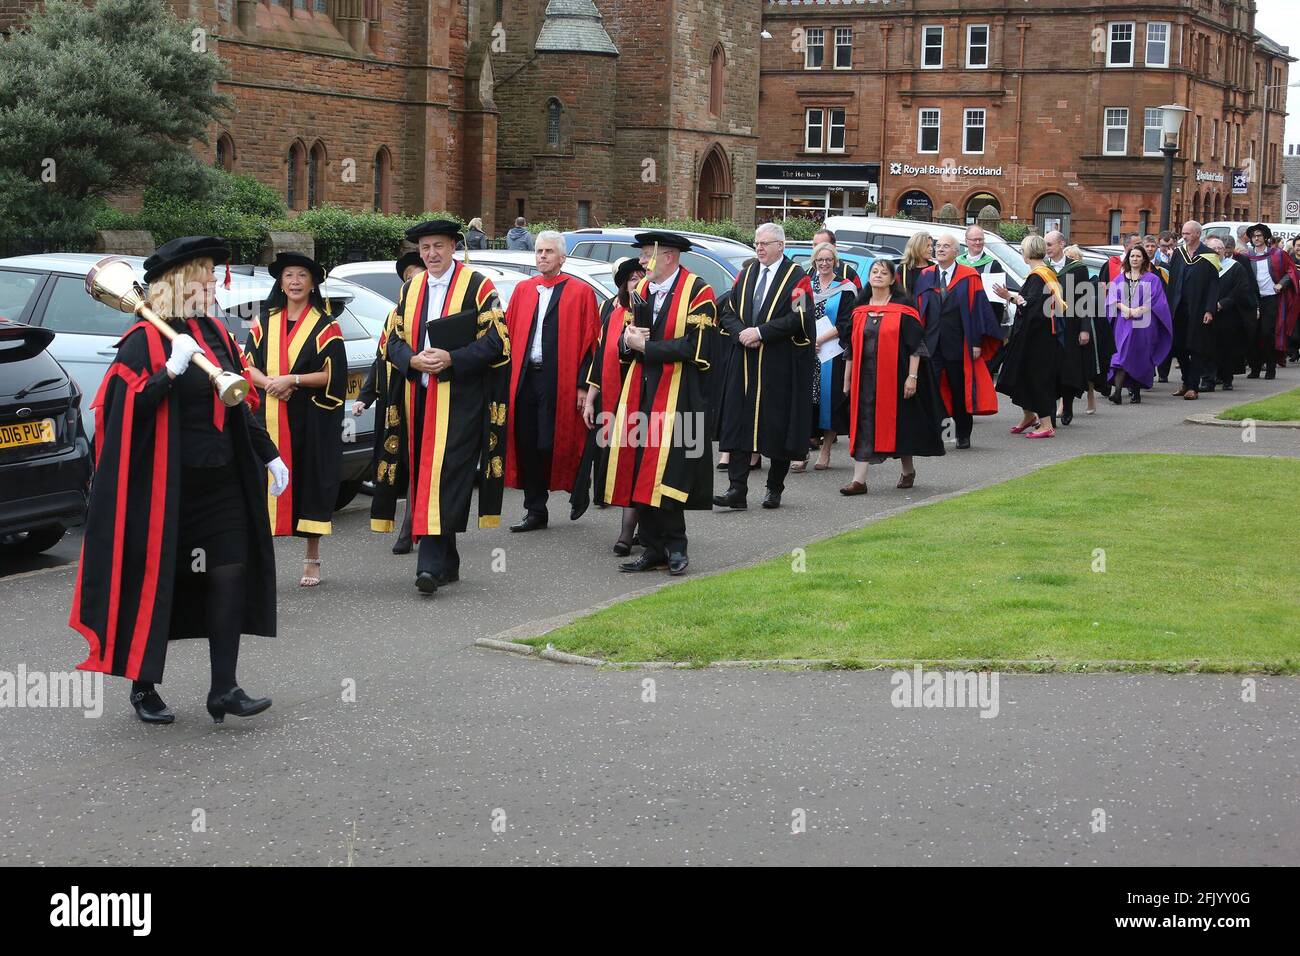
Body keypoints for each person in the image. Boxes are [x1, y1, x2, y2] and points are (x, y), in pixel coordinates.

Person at [71, 236, 283, 724]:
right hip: (166, 488)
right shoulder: (144, 340)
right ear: (181, 282)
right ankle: (144, 687)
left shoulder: (217, 333)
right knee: (160, 582)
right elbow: (121, 416)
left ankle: (224, 689)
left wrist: (268, 454)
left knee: (228, 573)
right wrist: (169, 370)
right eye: (207, 274)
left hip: (222, 480)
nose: (214, 282)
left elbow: (238, 400)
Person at [374, 219, 510, 595]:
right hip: (417, 398)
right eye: (425, 248)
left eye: (438, 246)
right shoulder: (410, 287)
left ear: (453, 246)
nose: (431, 254)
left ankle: (430, 565)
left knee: (447, 474)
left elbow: (497, 340)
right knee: (424, 474)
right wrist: (411, 361)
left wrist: (452, 358)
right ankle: (447, 560)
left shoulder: (478, 286)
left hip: (460, 400)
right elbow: (393, 338)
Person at [595, 231, 717, 575]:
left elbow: (698, 346)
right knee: (637, 467)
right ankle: (651, 548)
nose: (643, 261)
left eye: (649, 254)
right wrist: (626, 340)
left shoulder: (698, 291)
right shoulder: (643, 291)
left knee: (669, 471)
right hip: (640, 391)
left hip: (679, 394)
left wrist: (648, 348)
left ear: (670, 256)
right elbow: (628, 342)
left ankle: (676, 547)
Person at [243, 252, 346, 588]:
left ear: (312, 282)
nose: (295, 282)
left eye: (302, 275)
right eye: (289, 275)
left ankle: (311, 558)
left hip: (311, 418)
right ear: (281, 282)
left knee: (311, 483)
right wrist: (271, 383)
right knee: (261, 487)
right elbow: (247, 366)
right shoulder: (264, 322)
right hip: (268, 415)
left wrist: (294, 381)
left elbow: (334, 376)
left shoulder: (326, 326)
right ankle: (260, 562)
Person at [502, 230, 600, 531]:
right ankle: (535, 510)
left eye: (548, 252)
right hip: (525, 377)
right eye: (539, 251)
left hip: (560, 379)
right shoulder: (523, 290)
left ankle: (578, 489)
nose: (542, 256)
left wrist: (584, 385)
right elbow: (508, 334)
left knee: (553, 442)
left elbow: (590, 343)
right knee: (528, 442)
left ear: (562, 257)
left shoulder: (580, 292)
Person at [715, 222, 812, 510]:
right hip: (744, 361)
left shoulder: (798, 278)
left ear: (780, 246)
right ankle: (737, 490)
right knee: (739, 422)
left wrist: (761, 333)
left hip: (777, 363)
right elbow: (728, 310)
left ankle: (774, 488)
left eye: (765, 243)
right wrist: (741, 333)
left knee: (776, 426)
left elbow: (799, 317)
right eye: (757, 243)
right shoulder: (746, 274)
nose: (759, 247)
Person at [838, 259, 945, 496]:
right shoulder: (859, 311)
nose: (877, 275)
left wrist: (912, 377)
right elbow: (851, 349)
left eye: (883, 273)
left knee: (899, 425)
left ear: (891, 279)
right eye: (874, 272)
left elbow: (916, 346)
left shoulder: (903, 310)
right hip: (864, 380)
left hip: (896, 377)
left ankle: (908, 470)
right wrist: (846, 381)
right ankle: (859, 480)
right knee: (865, 424)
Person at [355, 251, 423, 554]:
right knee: (405, 464)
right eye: (408, 276)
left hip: (425, 396)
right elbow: (381, 357)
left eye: (417, 274)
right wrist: (365, 396)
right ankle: (411, 525)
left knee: (423, 465)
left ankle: (413, 528)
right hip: (395, 401)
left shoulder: (434, 313)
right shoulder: (395, 314)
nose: (412, 280)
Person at [580, 257, 646, 556]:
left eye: (641, 277)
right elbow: (599, 358)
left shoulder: (653, 315)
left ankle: (628, 533)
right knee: (621, 466)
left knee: (640, 466)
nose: (637, 283)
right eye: (632, 279)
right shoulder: (614, 315)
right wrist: (591, 399)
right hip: (613, 399)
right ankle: (632, 531)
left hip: (645, 400)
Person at [915, 235, 1002, 449]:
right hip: (931, 344)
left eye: (946, 246)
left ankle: (963, 433)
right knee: (934, 391)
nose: (940, 250)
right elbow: (918, 310)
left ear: (956, 252)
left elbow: (978, 312)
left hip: (958, 345)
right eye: (938, 246)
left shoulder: (969, 276)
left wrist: (976, 342)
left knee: (958, 390)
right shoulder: (926, 276)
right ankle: (944, 433)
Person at [995, 235, 1064, 439]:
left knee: (1035, 378)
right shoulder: (1043, 274)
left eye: (1023, 250)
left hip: (1037, 339)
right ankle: (1029, 417)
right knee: (1020, 376)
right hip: (1038, 335)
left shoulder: (1038, 276)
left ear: (1028, 253)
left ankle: (1046, 424)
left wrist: (1010, 297)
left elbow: (1033, 308)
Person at [801, 241, 855, 472]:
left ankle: (826, 450)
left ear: (835, 261)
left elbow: (846, 322)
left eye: (828, 260)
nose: (824, 263)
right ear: (814, 261)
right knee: (803, 401)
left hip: (831, 353)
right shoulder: (803, 287)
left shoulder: (845, 288)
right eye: (820, 260)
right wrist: (805, 340)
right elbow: (797, 316)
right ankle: (800, 450)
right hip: (806, 351)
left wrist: (819, 340)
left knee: (829, 401)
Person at [1106, 242, 1173, 404]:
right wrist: (1126, 309)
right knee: (1121, 355)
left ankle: (1135, 392)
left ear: (1144, 260)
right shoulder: (1119, 279)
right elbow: (1112, 299)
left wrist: (1138, 310)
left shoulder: (1152, 279)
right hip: (1123, 323)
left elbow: (1157, 300)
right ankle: (1117, 393)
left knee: (1138, 355)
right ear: (1128, 259)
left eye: (1138, 256)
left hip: (1144, 323)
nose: (1134, 259)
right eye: (1132, 256)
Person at [1057, 244, 1114, 422]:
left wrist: (1085, 329)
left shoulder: (1086, 276)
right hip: (1064, 323)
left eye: (1075, 258)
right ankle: (1061, 404)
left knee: (1086, 366)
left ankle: (1087, 399)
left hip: (1087, 325)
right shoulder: (1055, 271)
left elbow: (1086, 304)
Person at [1166, 221, 1220, 400]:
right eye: (1183, 233)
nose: (1184, 236)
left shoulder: (1209, 256)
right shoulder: (1178, 253)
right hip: (1178, 307)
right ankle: (1186, 381)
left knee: (1195, 347)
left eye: (1187, 233)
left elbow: (1214, 285)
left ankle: (1193, 387)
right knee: (1178, 346)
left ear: (1197, 234)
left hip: (1198, 308)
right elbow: (1172, 280)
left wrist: (1209, 309)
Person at [1242, 223, 1298, 380]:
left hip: (1272, 298)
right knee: (1253, 334)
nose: (1256, 238)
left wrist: (1281, 283)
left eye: (1259, 235)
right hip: (1253, 299)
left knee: (1267, 333)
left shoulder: (1278, 254)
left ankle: (1271, 368)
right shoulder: (1247, 256)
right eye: (1254, 236)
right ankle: (1255, 368)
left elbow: (1291, 271)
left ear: (1265, 237)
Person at [1205, 236, 1256, 391]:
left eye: (1220, 248)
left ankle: (1227, 379)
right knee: (1209, 347)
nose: (1218, 251)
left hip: (1229, 315)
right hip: (1208, 313)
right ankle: (1209, 379)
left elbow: (1241, 289)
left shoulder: (1235, 267)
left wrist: (1224, 303)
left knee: (1227, 348)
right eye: (1214, 248)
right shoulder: (1203, 267)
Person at [898, 232, 933, 299]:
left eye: (931, 245)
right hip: (908, 308)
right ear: (917, 247)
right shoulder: (903, 269)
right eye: (927, 246)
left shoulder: (934, 268)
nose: (931, 249)